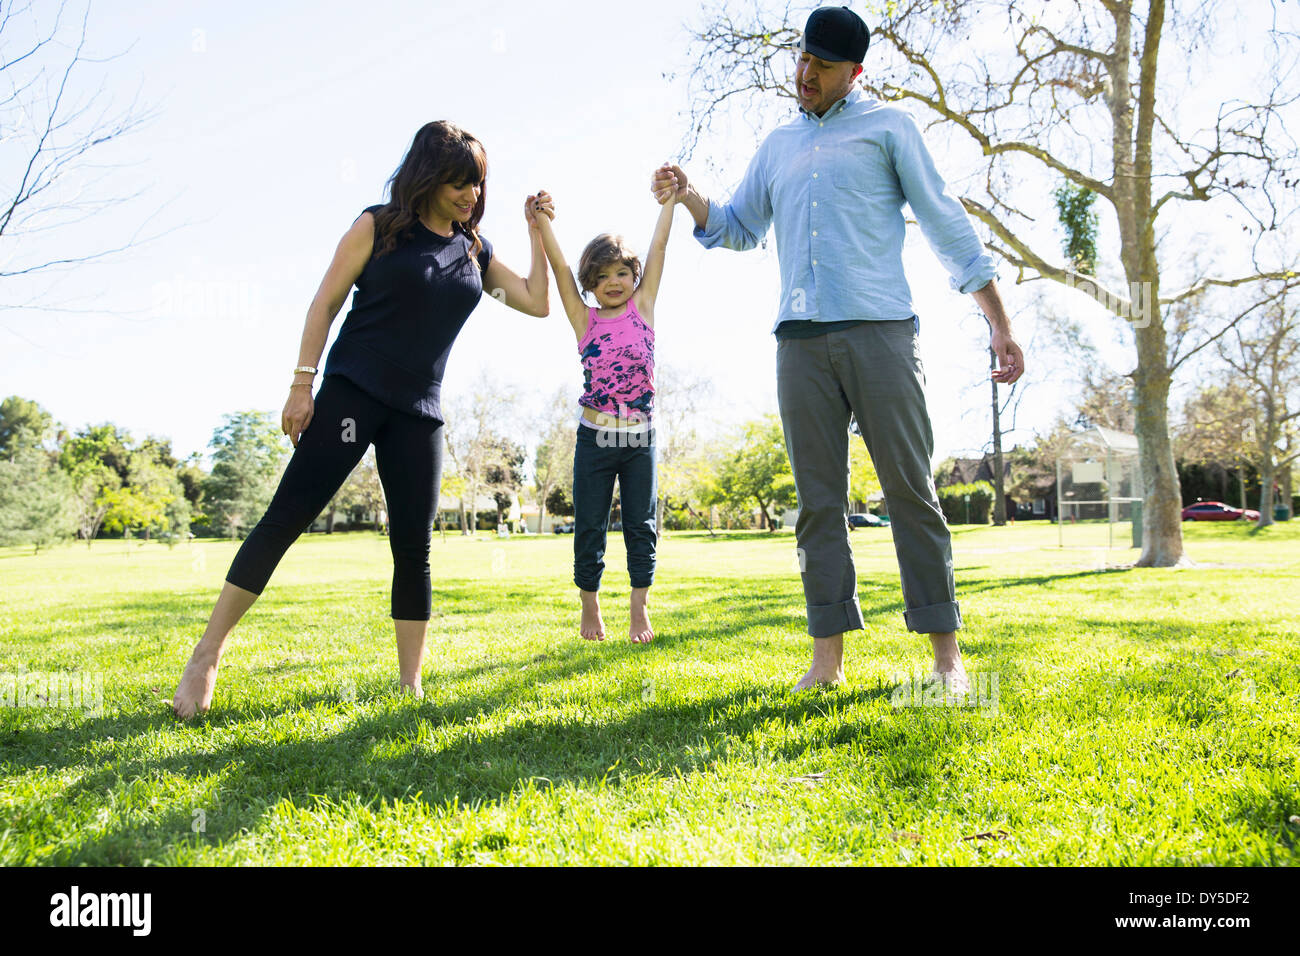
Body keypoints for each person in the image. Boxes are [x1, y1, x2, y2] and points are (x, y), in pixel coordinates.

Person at [652, 6, 1025, 691]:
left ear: (854, 71)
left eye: (821, 66)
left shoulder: (890, 130)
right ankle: (826, 664)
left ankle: (947, 662)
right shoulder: (778, 146)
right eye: (802, 60)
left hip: (881, 333)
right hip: (799, 344)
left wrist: (997, 320)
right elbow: (737, 226)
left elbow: (946, 221)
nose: (805, 74)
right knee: (818, 506)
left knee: (911, 493)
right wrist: (689, 196)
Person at [171, 121, 551, 718]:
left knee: (414, 548)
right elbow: (323, 303)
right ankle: (207, 654)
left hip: (419, 413)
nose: (469, 195)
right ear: (428, 175)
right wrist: (303, 385)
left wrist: (535, 233)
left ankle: (410, 685)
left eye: (476, 184)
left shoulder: (473, 251)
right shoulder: (379, 227)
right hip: (353, 393)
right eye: (457, 182)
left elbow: (536, 302)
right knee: (285, 519)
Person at [530, 189, 679, 644]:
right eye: (602, 276)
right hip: (595, 437)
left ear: (635, 277)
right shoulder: (585, 320)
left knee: (641, 525)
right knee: (590, 524)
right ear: (590, 285)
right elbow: (558, 270)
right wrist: (542, 224)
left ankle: (639, 611)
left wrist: (670, 200)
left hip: (640, 439)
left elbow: (658, 248)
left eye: (622, 273)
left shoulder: (644, 307)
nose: (614, 282)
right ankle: (590, 608)